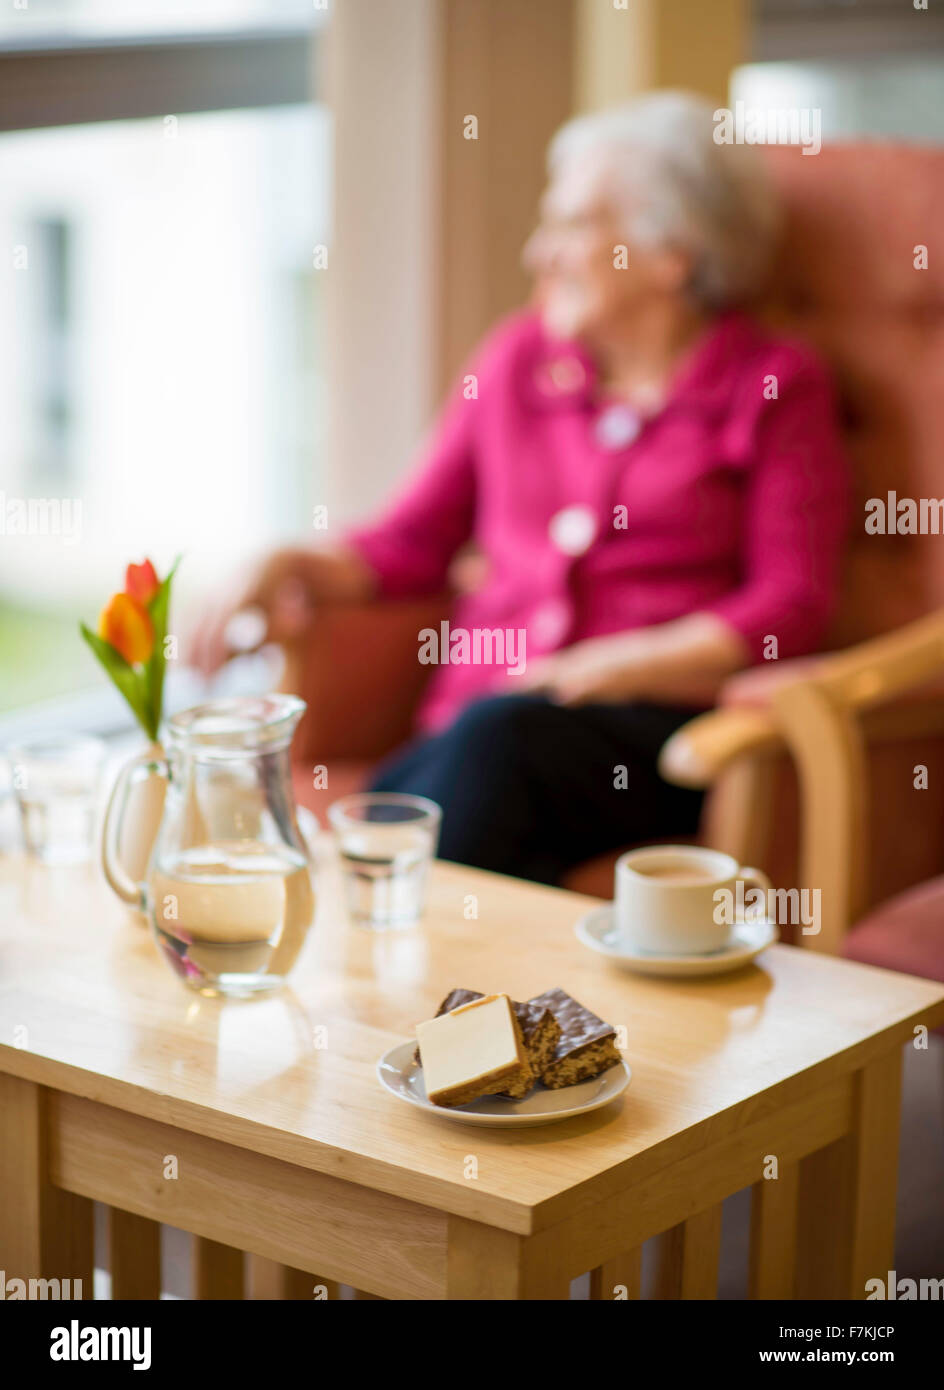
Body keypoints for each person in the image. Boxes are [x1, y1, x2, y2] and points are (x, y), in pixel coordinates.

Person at [191, 91, 850, 886]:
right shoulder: (514, 362)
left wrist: (616, 665)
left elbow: (790, 607)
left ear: (672, 251)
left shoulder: (775, 386)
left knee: (490, 753)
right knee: (487, 765)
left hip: (651, 740)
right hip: (477, 735)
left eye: (573, 224)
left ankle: (366, 914)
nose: (539, 252)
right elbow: (412, 543)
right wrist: (287, 559)